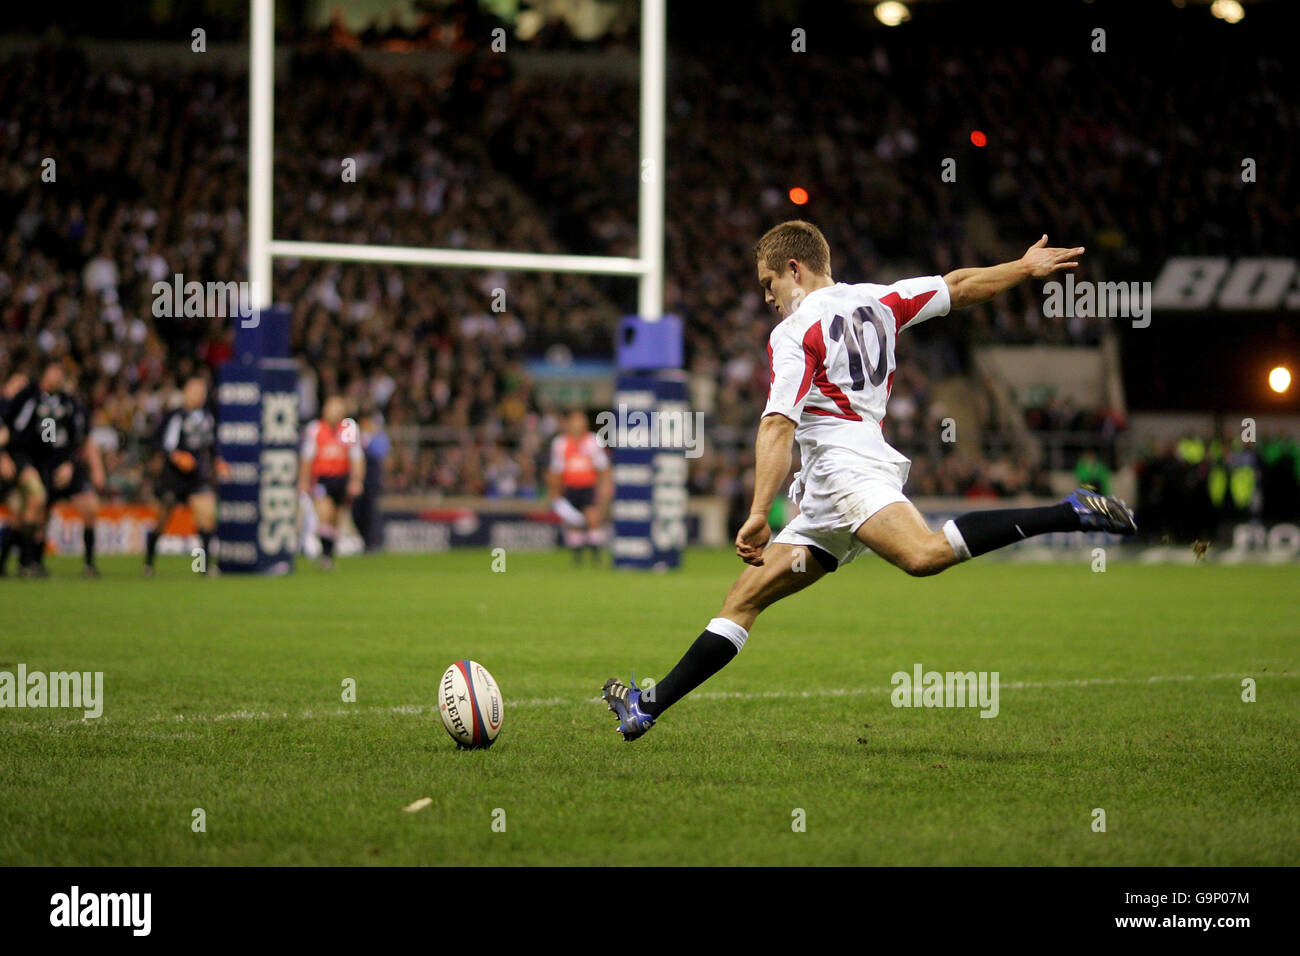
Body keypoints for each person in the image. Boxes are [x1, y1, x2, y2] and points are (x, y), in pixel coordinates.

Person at [602, 221, 1136, 740]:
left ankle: (1068, 511)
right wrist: (1021, 267)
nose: (767, 298)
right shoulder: (881, 299)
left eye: (769, 283)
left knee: (922, 555)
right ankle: (645, 707)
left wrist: (759, 511)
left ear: (795, 269)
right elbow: (958, 286)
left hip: (845, 472)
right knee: (743, 599)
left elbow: (777, 423)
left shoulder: (794, 331)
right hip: (830, 486)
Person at [1, 363, 105, 578]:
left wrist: (74, 464)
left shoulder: (69, 404)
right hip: (26, 460)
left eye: (60, 373)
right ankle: (25, 561)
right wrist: (3, 455)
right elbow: (8, 427)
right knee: (32, 507)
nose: (56, 376)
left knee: (39, 512)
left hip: (58, 464)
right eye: (53, 371)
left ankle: (33, 562)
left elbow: (80, 438)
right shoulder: (27, 397)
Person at [144, 376, 224, 576]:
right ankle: (149, 563)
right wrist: (177, 456)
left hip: (197, 476)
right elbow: (158, 442)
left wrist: (218, 461)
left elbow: (212, 445)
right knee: (162, 521)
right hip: (173, 477)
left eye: (202, 392)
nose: (200, 395)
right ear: (186, 393)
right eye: (196, 391)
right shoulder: (175, 416)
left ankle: (203, 567)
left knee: (206, 518)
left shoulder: (207, 417)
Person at [298, 396, 364, 569]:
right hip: (323, 479)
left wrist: (356, 480)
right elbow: (307, 457)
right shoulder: (315, 429)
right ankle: (326, 555)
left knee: (335, 519)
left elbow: (356, 457)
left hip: (342, 479)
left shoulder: (349, 429)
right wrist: (304, 481)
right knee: (325, 514)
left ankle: (328, 554)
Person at [547, 409, 611, 564]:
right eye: (575, 421)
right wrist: (554, 492)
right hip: (570, 487)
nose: (578, 424)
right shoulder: (560, 443)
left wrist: (605, 487)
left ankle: (596, 556)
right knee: (574, 522)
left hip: (588, 487)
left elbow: (603, 467)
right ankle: (577, 557)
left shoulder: (592, 441)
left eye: (581, 421)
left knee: (593, 519)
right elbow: (555, 470)